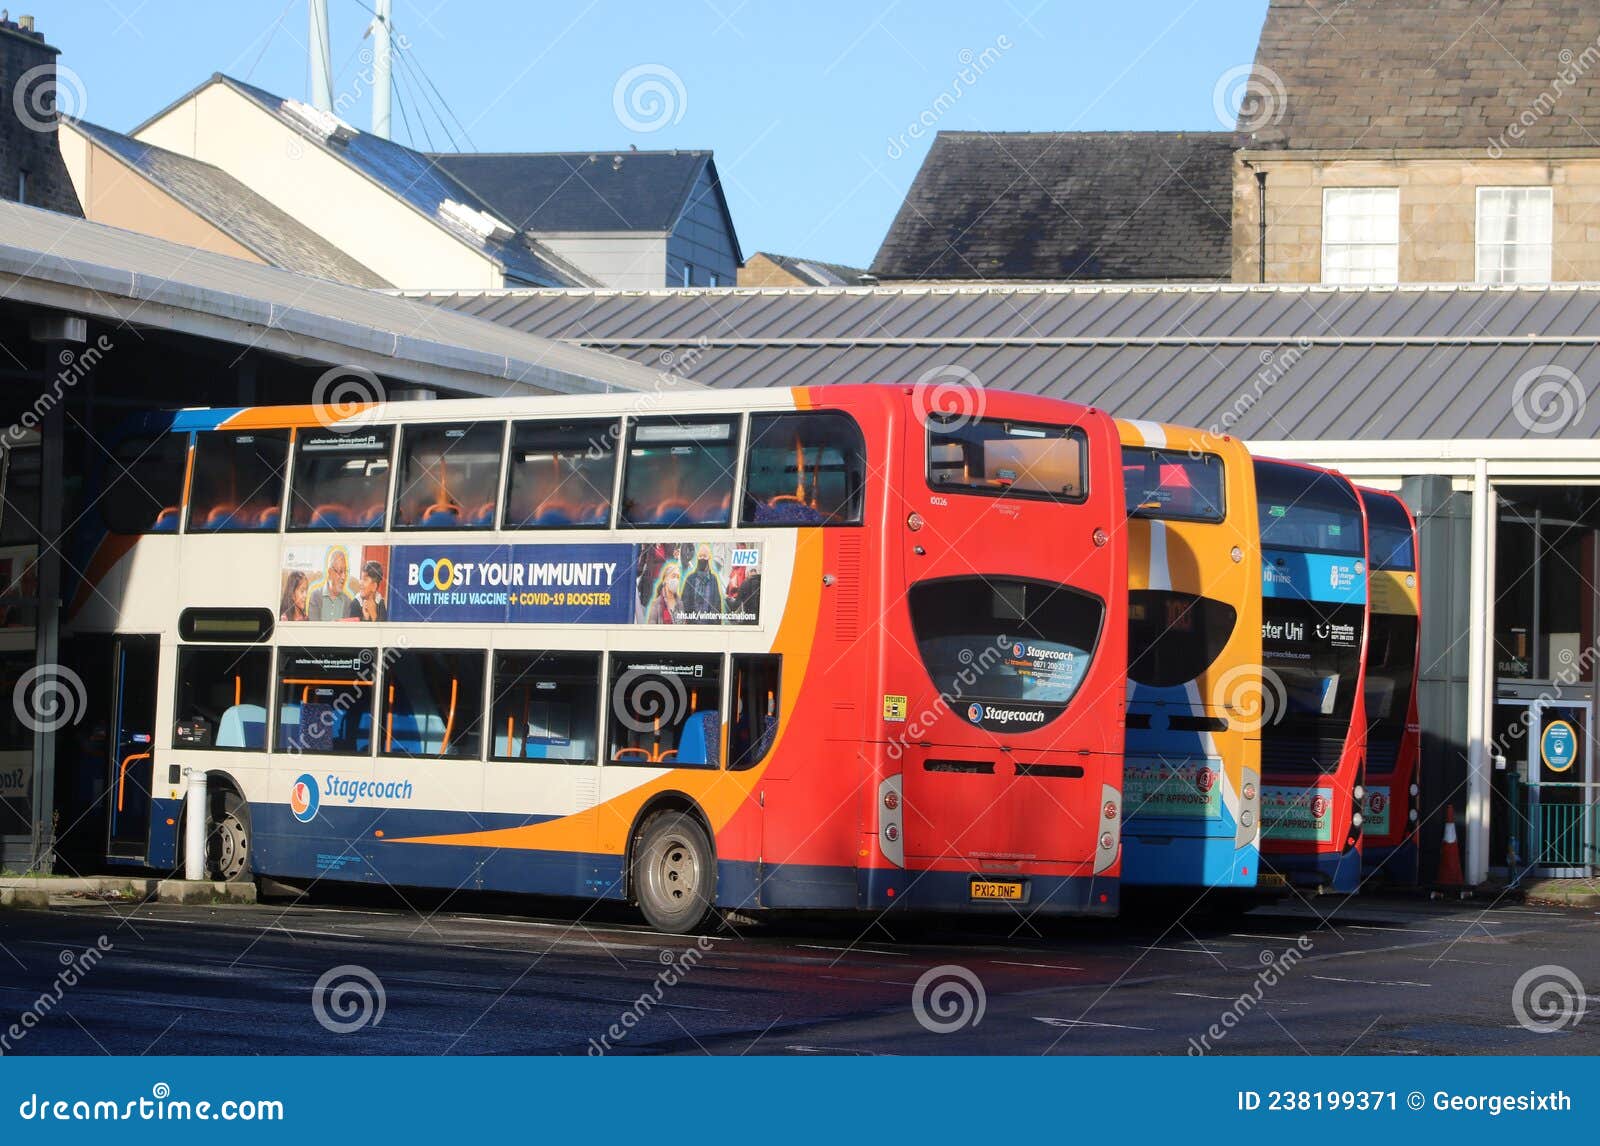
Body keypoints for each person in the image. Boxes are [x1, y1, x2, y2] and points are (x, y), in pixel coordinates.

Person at [680, 543, 725, 623]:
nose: (702, 558)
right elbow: (684, 602)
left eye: (705, 556)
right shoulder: (690, 579)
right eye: (700, 556)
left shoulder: (713, 579)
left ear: (709, 558)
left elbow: (717, 605)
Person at [309, 548, 352, 621]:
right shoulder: (316, 596)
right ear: (330, 572)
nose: (344, 577)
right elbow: (314, 628)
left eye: (345, 571)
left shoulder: (348, 601)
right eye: (340, 571)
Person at [644, 559, 682, 625]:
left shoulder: (680, 603)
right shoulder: (656, 605)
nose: (676, 580)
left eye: (678, 577)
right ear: (665, 580)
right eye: (673, 576)